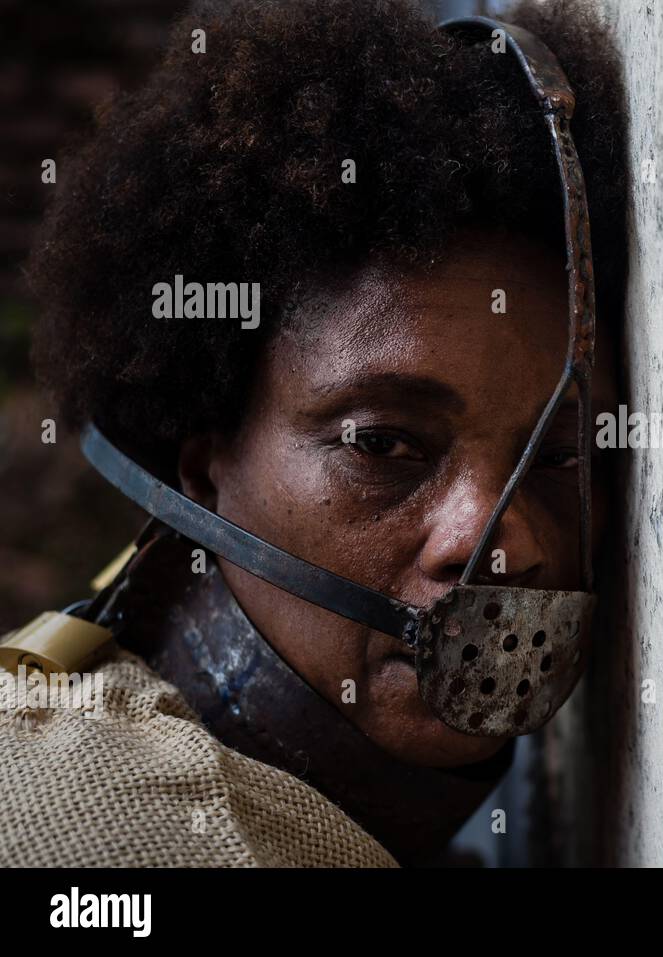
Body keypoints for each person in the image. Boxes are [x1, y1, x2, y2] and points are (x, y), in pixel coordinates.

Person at [2, 0, 627, 867]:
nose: (494, 540)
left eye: (556, 456)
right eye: (382, 445)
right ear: (202, 472)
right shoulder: (130, 838)